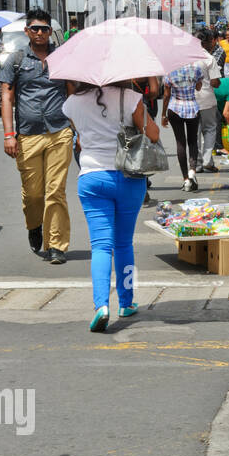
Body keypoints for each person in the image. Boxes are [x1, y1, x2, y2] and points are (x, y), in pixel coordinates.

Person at [63, 82, 161, 331]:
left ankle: (101, 306)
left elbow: (80, 138)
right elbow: (153, 134)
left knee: (100, 246)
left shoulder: (73, 103)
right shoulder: (131, 98)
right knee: (124, 243)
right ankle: (126, 302)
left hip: (92, 179)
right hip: (128, 177)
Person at [0, 9, 73, 264]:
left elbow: (73, 95)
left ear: (50, 31)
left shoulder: (62, 59)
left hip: (60, 131)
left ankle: (57, 246)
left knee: (56, 191)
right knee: (33, 194)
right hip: (28, 136)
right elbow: (7, 98)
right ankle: (34, 226)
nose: (40, 33)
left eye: (44, 29)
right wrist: (9, 135)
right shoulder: (16, 60)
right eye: (35, 29)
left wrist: (78, 130)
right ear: (27, 31)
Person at [160, 59, 206, 192]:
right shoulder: (196, 69)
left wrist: (163, 115)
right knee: (193, 141)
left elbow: (167, 94)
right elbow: (198, 87)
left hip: (175, 107)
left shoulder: (169, 71)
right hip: (192, 106)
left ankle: (186, 179)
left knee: (180, 142)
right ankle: (192, 171)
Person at [195, 30, 224, 172]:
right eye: (212, 41)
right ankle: (207, 160)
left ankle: (198, 163)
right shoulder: (209, 58)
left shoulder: (188, 57)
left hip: (190, 100)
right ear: (206, 42)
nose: (213, 44)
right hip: (207, 99)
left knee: (195, 132)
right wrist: (218, 82)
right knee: (210, 130)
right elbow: (215, 82)